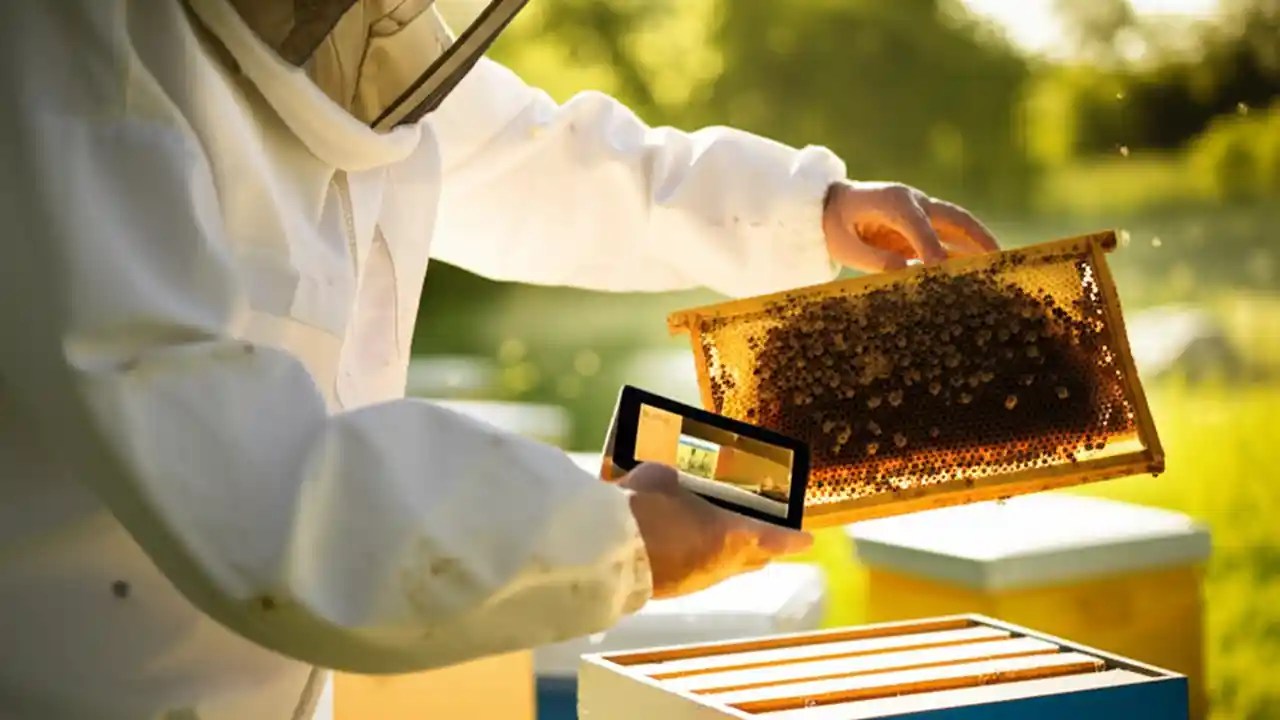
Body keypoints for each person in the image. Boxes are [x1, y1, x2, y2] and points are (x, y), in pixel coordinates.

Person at [0, 2, 999, 718]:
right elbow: (242, 476)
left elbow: (546, 159)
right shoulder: (65, 48)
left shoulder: (359, 45)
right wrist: (611, 538)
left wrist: (804, 208)